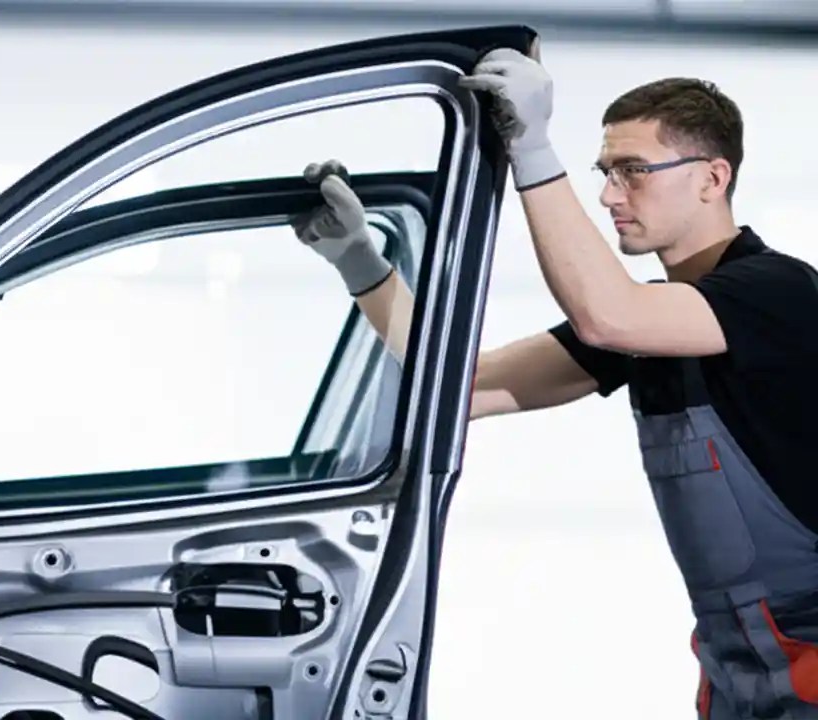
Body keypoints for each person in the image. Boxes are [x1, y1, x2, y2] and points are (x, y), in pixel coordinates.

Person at [292, 50, 818, 719]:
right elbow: (464, 387)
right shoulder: (654, 326)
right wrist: (361, 261)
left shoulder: (777, 292)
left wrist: (532, 148)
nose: (609, 195)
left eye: (633, 171)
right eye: (606, 172)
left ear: (713, 178)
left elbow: (609, 313)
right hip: (739, 671)